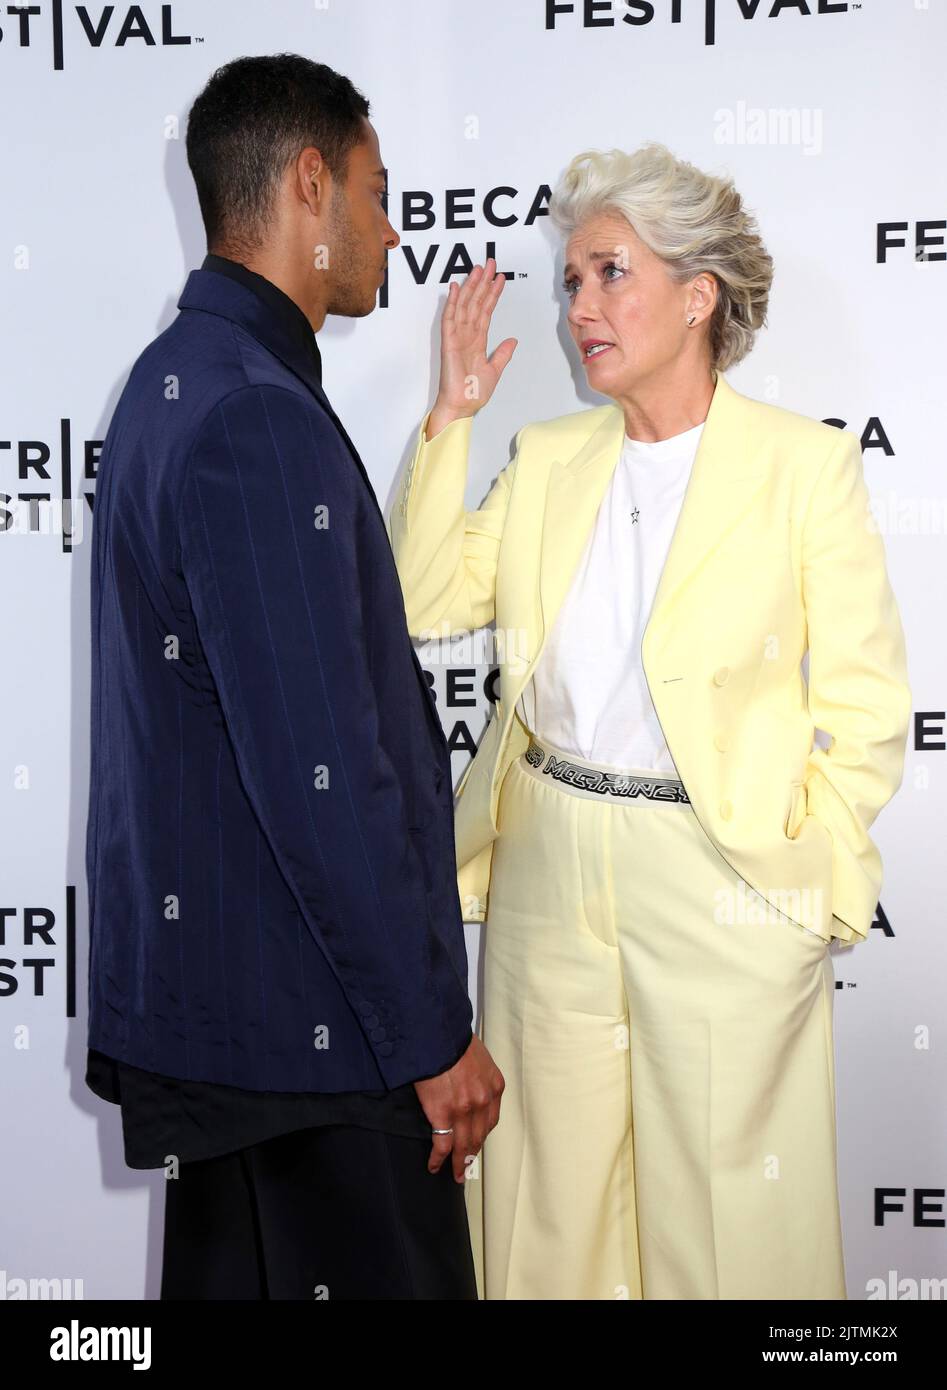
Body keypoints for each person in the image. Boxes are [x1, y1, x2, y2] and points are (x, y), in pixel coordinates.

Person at [387, 142, 912, 1300]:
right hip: (547, 871)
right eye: (570, 281)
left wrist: (800, 884)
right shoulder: (544, 456)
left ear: (695, 294)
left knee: (730, 1222)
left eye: (606, 274)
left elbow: (868, 707)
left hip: (717, 879)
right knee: (541, 1211)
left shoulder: (802, 467)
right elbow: (421, 598)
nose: (579, 306)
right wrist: (451, 416)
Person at [84, 53, 502, 1301]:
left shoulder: (178, 382)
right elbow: (320, 774)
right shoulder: (250, 413)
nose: (389, 227)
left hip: (244, 1036)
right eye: (375, 191)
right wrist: (430, 1036)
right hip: (316, 1051)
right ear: (307, 184)